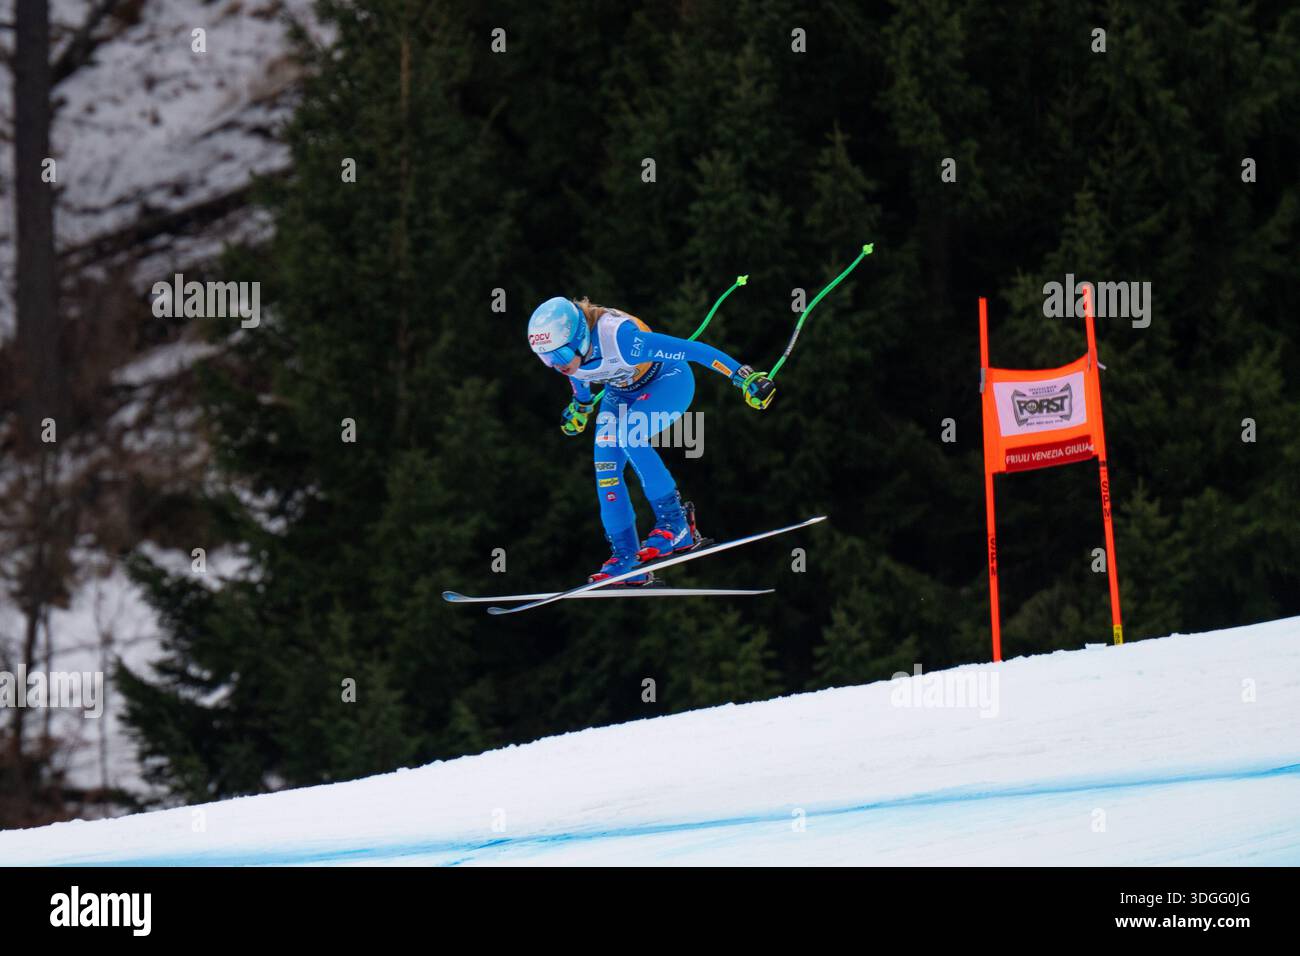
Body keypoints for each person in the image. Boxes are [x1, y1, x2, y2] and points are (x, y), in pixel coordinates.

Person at [527, 296, 775, 584]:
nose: (556, 365)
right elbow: (581, 378)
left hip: (667, 381)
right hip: (619, 393)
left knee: (628, 435)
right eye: (546, 359)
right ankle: (627, 558)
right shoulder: (572, 358)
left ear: (580, 338)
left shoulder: (621, 338)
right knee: (605, 466)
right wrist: (581, 407)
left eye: (558, 356)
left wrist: (743, 377)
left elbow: (692, 350)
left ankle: (676, 523)